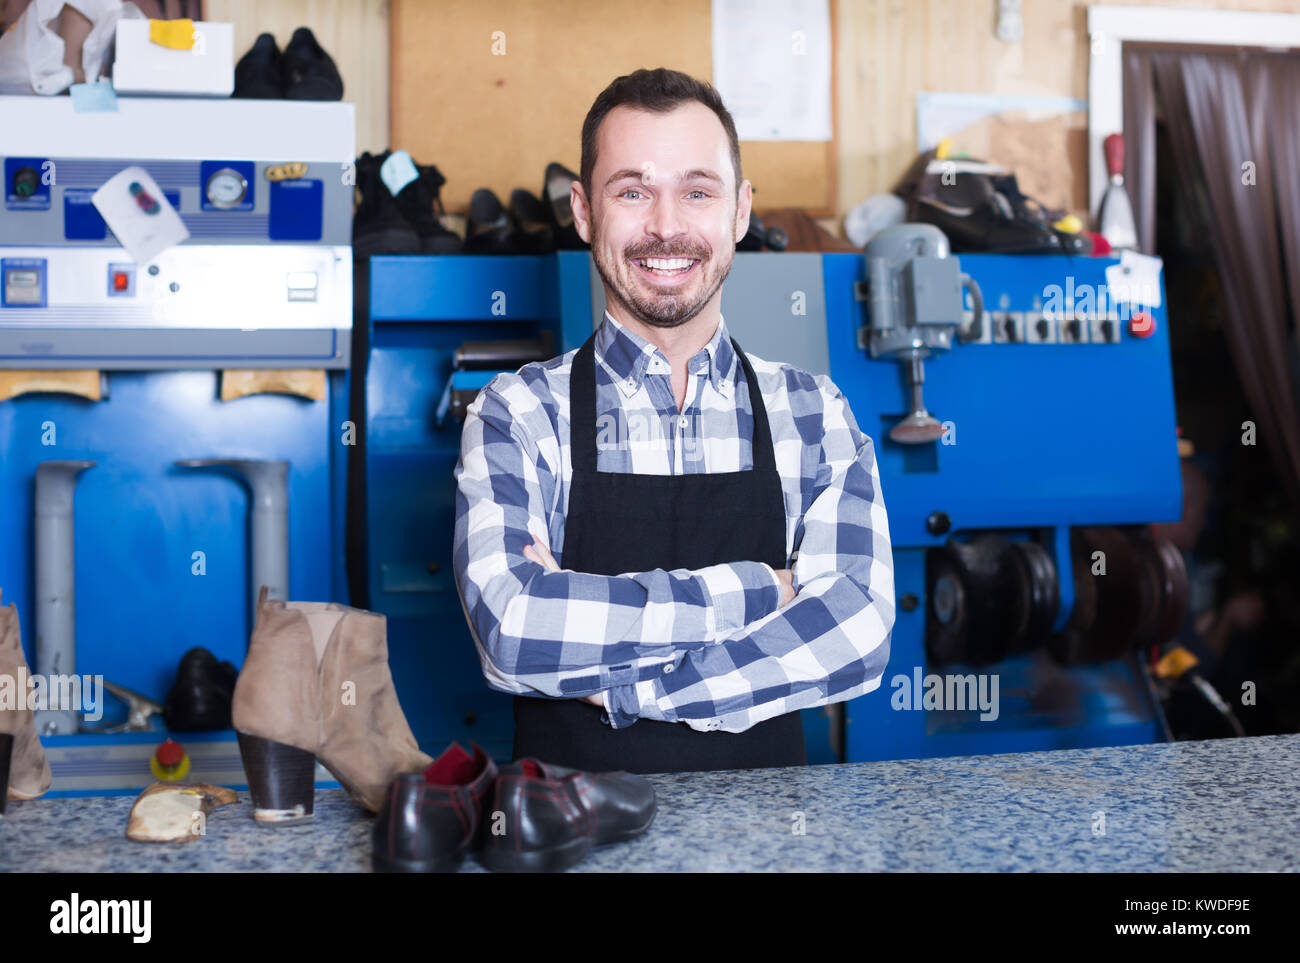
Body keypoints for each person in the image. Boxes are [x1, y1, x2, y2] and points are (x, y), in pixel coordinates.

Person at [453, 68, 894, 774]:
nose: (665, 226)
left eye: (697, 191)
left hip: (770, 848)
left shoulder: (812, 414)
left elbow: (855, 633)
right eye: (632, 191)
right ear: (584, 211)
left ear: (740, 212)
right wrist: (761, 590)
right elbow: (514, 629)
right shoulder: (518, 413)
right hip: (570, 842)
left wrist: (633, 690)